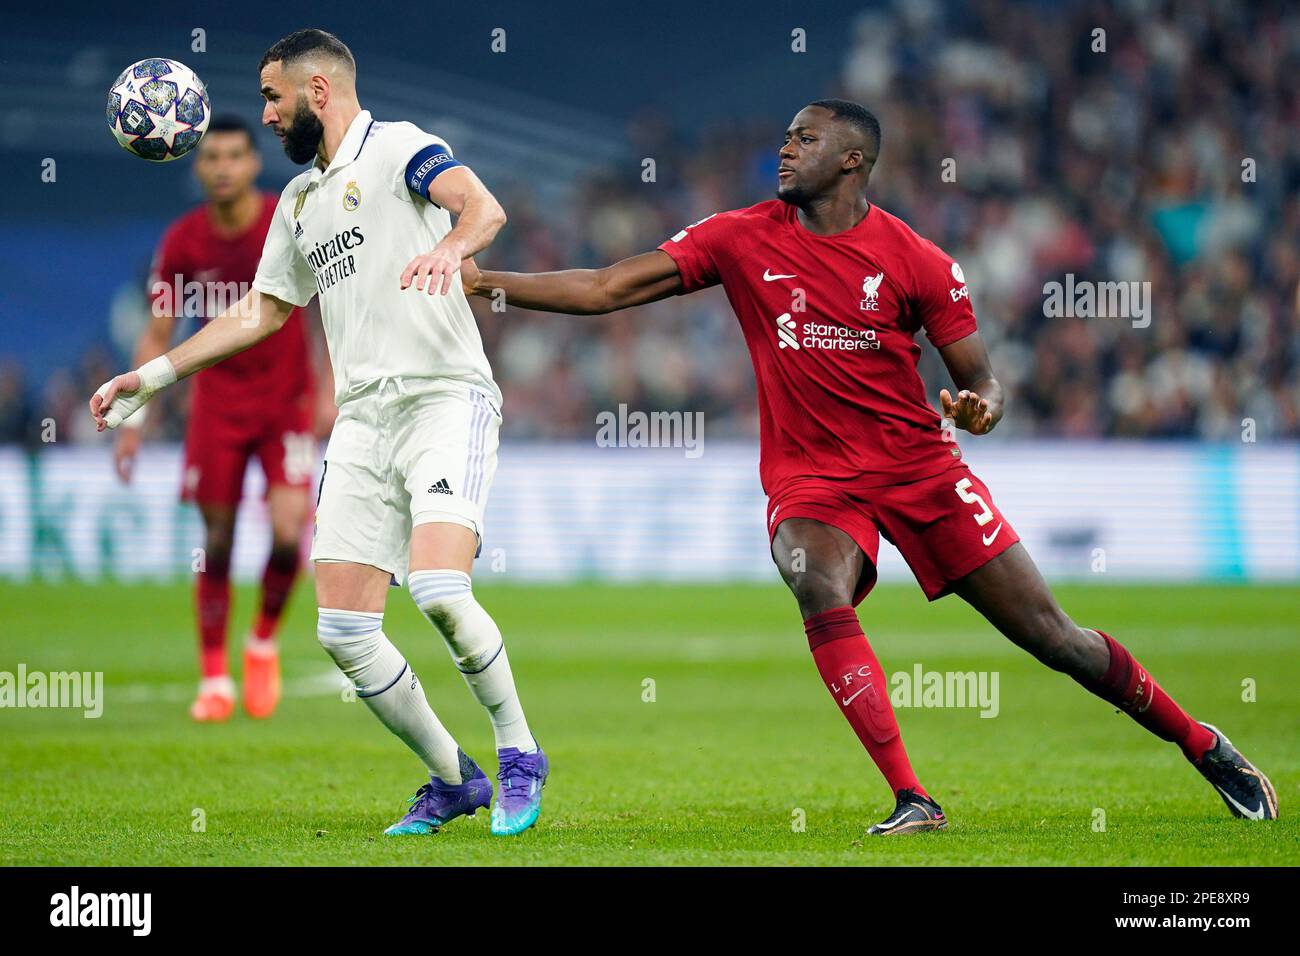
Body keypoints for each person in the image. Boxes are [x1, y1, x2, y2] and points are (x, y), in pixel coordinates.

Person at [458, 99, 1277, 834]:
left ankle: (1202, 742)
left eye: (803, 140)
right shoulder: (739, 238)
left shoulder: (917, 261)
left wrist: (979, 408)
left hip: (920, 469)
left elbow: (981, 381)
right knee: (815, 576)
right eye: (783, 137)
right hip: (812, 480)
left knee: (1055, 639)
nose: (784, 151)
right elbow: (605, 287)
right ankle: (913, 798)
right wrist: (486, 283)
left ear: (852, 160)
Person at [91, 29, 548, 837]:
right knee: (342, 629)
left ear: (319, 92)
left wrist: (450, 246)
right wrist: (153, 375)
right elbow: (264, 309)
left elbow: (485, 207)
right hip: (364, 421)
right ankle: (452, 779)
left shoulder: (402, 148)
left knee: (441, 590)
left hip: (445, 398)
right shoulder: (299, 203)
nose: (265, 116)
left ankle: (519, 753)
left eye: (273, 97)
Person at [115, 115, 324, 723]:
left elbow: (326, 307)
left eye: (236, 155)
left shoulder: (284, 222)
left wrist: (330, 388)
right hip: (218, 406)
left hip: (287, 400)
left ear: (255, 163)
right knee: (217, 541)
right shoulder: (182, 243)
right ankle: (214, 677)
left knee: (289, 534)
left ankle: (261, 642)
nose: (225, 167)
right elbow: (158, 333)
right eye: (213, 158)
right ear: (196, 166)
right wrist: (133, 421)